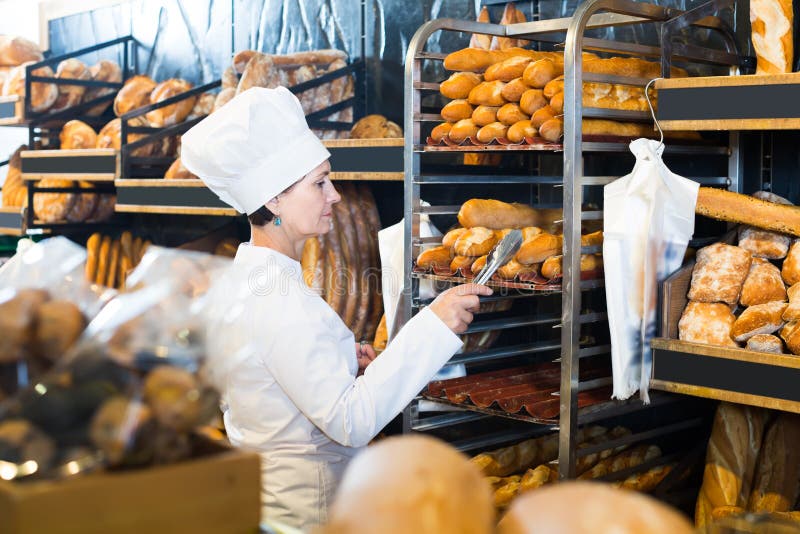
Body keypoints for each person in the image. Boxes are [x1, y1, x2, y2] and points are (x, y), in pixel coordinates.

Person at [181, 86, 491, 531]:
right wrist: (433, 325)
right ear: (273, 199)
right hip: (308, 517)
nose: (336, 197)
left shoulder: (251, 280)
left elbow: (282, 388)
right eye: (320, 183)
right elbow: (349, 422)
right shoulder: (278, 299)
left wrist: (346, 367)